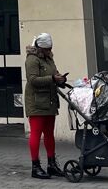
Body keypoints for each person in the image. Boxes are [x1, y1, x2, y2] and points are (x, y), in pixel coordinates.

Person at [24, 32, 67, 179]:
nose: (50, 51)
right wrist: (52, 79)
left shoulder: (49, 58)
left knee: (49, 133)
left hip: (49, 100)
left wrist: (60, 79)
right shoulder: (32, 60)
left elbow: (54, 73)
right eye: (47, 49)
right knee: (36, 133)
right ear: (40, 48)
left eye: (51, 48)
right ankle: (35, 167)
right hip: (36, 102)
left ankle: (51, 164)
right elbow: (33, 80)